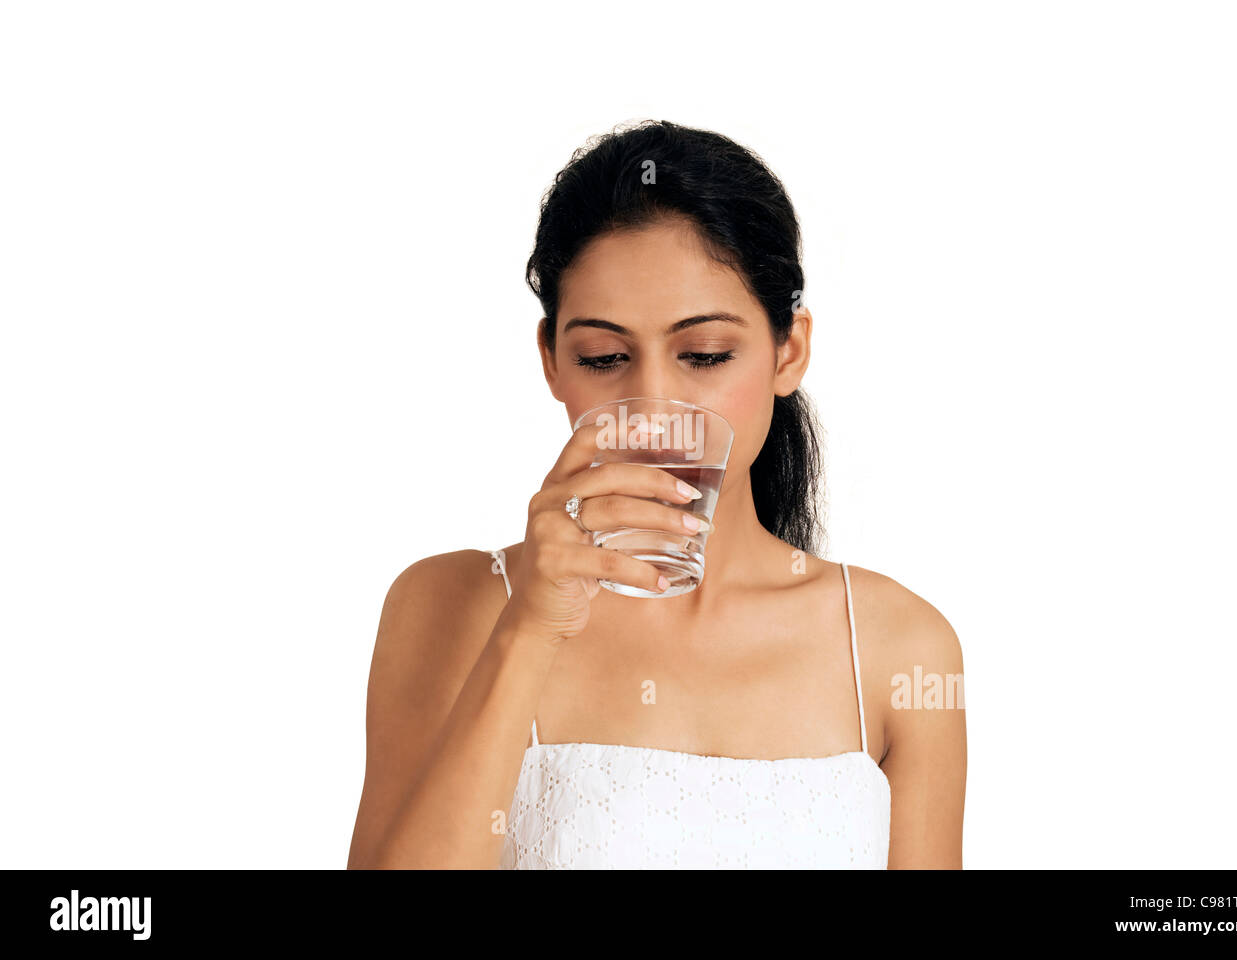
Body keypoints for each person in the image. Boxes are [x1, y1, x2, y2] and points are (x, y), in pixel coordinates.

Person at [347, 120, 966, 869]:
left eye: (704, 355)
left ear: (788, 350)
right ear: (551, 361)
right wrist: (531, 628)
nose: (652, 410)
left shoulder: (900, 647)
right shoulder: (447, 604)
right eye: (603, 358)